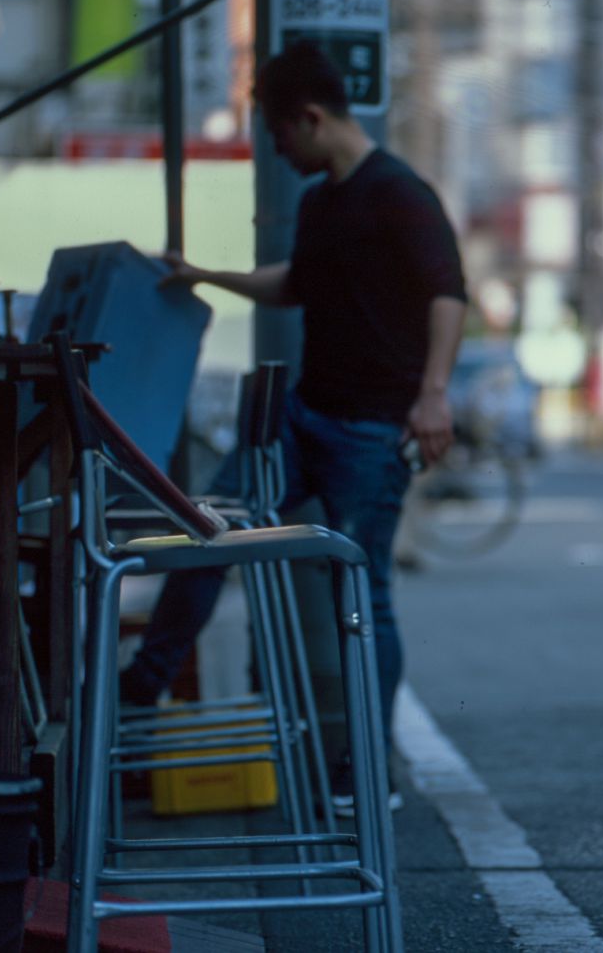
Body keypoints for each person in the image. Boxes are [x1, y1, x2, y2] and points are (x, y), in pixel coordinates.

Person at [119, 40, 468, 810]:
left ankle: (366, 769)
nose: (278, 150)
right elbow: (296, 285)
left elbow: (449, 294)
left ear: (310, 118)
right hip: (301, 417)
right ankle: (139, 689)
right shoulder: (319, 202)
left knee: (364, 594)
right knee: (207, 528)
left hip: (372, 432)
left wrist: (434, 395)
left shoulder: (401, 194)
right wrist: (207, 276)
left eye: (280, 134)